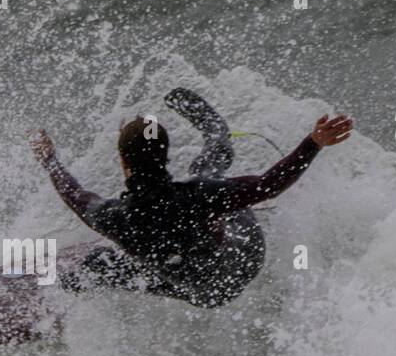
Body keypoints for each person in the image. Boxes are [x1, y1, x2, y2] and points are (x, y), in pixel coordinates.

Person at [29, 88, 353, 308]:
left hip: (194, 292)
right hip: (240, 266)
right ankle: (216, 133)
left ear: (123, 161)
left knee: (91, 269)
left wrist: (49, 160)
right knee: (209, 172)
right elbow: (269, 184)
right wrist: (313, 142)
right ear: (165, 156)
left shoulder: (113, 217)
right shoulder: (198, 196)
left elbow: (73, 193)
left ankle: (54, 310)